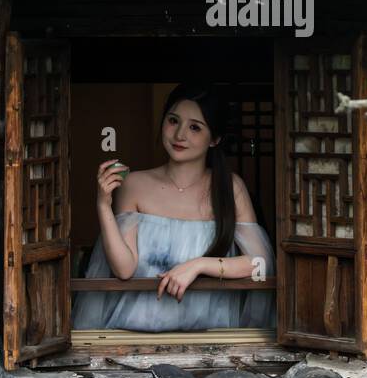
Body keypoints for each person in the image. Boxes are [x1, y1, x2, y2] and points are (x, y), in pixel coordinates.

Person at [71, 83, 276, 332]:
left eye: (194, 127)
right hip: (135, 331)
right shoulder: (134, 184)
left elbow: (259, 264)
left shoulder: (230, 188)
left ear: (215, 139)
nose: (180, 135)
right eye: (173, 120)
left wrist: (198, 265)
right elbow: (124, 268)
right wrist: (103, 204)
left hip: (210, 338)